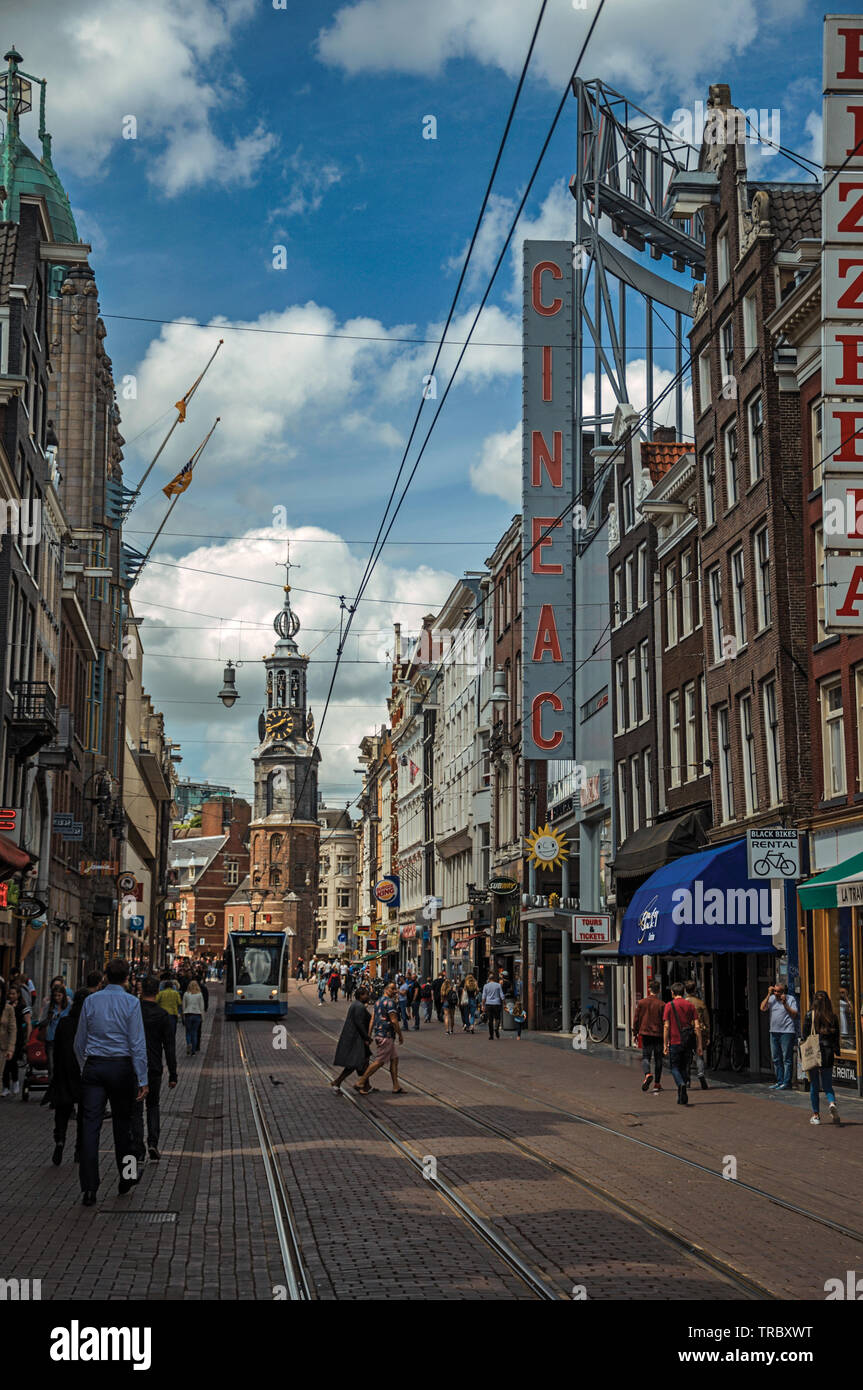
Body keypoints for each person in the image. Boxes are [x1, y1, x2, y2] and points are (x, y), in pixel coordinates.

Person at [74, 958, 148, 1206]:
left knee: (89, 1127)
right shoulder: (131, 1002)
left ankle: (89, 1188)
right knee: (123, 1126)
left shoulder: (91, 1001)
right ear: (127, 978)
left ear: (105, 976)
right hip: (121, 1067)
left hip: (95, 1066)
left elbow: (79, 1040)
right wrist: (142, 1078)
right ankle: (126, 1176)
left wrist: (86, 1065)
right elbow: (137, 1044)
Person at [131, 976, 178, 1161]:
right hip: (154, 1065)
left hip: (135, 1066)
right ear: (157, 993)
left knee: (136, 1107)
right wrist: (173, 1074)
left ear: (141, 991)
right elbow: (170, 1046)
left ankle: (138, 1146)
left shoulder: (134, 1013)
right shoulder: (163, 1015)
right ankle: (153, 1142)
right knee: (153, 1104)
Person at [45, 988, 87, 1166]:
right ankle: (79, 1148)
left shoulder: (64, 1022)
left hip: (64, 1070)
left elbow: (57, 1049)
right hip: (82, 1072)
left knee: (62, 1109)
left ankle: (60, 1139)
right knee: (85, 1112)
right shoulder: (89, 1024)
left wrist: (55, 1072)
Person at [355, 981, 404, 1095]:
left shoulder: (378, 1002)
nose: (395, 991)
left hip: (379, 1034)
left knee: (394, 1059)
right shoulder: (390, 1003)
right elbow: (394, 1021)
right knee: (379, 1061)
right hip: (386, 1035)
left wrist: (369, 1034)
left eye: (395, 988)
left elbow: (372, 1019)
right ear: (386, 989)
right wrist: (400, 1035)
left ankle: (396, 1086)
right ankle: (361, 1082)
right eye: (392, 989)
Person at [802, 991, 841, 1126]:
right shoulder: (833, 1017)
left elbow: (804, 1036)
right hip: (828, 1052)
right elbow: (836, 1037)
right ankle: (831, 1103)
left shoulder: (809, 1015)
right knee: (828, 1085)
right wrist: (837, 1050)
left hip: (814, 1053)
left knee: (814, 1085)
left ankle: (816, 1115)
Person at [662, 981, 702, 1105]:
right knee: (685, 1067)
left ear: (672, 993)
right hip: (688, 1042)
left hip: (675, 1041)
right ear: (683, 992)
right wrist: (699, 1045)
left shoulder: (669, 1005)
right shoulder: (690, 1006)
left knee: (674, 1067)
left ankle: (681, 1084)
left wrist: (665, 1043)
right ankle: (682, 1096)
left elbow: (666, 1026)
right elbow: (697, 1026)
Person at [330, 986, 373, 1091]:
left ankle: (366, 1085)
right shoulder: (359, 1007)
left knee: (364, 1061)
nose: (368, 996)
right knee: (355, 1062)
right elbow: (359, 1023)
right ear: (361, 996)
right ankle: (338, 1081)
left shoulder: (356, 1005)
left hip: (355, 1037)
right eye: (366, 994)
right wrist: (367, 1037)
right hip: (356, 1039)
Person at [760, 979, 799, 1091]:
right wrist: (768, 994)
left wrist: (785, 1004)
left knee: (787, 1058)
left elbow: (794, 1014)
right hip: (774, 1031)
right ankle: (779, 1080)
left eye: (778, 992)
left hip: (787, 1032)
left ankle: (787, 1082)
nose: (776, 994)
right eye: (775, 991)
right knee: (776, 1058)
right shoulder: (771, 999)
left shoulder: (790, 999)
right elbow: (762, 1008)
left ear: (783, 992)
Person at [632, 980, 665, 1094]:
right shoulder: (662, 1004)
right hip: (658, 1034)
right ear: (659, 990)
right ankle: (657, 1083)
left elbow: (636, 1019)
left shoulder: (642, 1003)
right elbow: (665, 1021)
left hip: (645, 1033)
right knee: (658, 1058)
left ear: (649, 989)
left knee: (646, 1056)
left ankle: (647, 1074)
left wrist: (635, 1032)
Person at [1, 983, 30, 1095]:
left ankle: (15, 1081)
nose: (11, 996)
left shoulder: (22, 1007)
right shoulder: (6, 1006)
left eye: (13, 994)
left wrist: (27, 1038)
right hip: (5, 1037)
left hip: (17, 1038)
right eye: (10, 993)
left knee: (12, 1061)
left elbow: (28, 1022)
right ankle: (6, 1086)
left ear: (18, 994)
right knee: (5, 1063)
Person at [39, 983, 70, 1081]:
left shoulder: (69, 1005)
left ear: (63, 995)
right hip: (51, 1039)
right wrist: (49, 1018)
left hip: (64, 1039)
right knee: (51, 1066)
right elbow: (41, 1022)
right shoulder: (49, 1006)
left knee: (62, 1065)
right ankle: (52, 1087)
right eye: (55, 995)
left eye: (59, 995)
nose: (57, 998)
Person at [684, 980, 710, 1091]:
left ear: (685, 990)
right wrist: (708, 1034)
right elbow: (706, 1020)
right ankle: (700, 1073)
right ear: (695, 989)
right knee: (699, 1055)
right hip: (699, 1032)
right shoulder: (700, 1003)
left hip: (686, 1032)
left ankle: (687, 1079)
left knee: (687, 1056)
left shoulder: (683, 1003)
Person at [182, 979, 205, 1055]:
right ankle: (193, 1050)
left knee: (188, 1032)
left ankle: (189, 1043)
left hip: (188, 1014)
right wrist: (203, 1017)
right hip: (197, 1014)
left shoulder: (186, 994)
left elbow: (183, 1005)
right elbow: (202, 1006)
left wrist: (183, 1015)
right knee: (194, 1032)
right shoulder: (199, 994)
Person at [157, 976, 182, 1041]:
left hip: (163, 1014)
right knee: (172, 1031)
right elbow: (179, 1003)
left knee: (163, 1030)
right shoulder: (176, 993)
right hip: (173, 1014)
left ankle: (164, 1039)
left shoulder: (161, 993)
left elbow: (156, 1001)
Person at [481, 972, 506, 1040]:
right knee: (497, 1018)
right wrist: (504, 1003)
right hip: (497, 1004)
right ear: (494, 979)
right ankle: (496, 1028)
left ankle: (491, 1035)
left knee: (490, 1020)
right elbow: (502, 995)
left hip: (488, 1004)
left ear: (489, 979)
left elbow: (484, 997)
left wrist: (483, 1005)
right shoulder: (498, 985)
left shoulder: (485, 986)